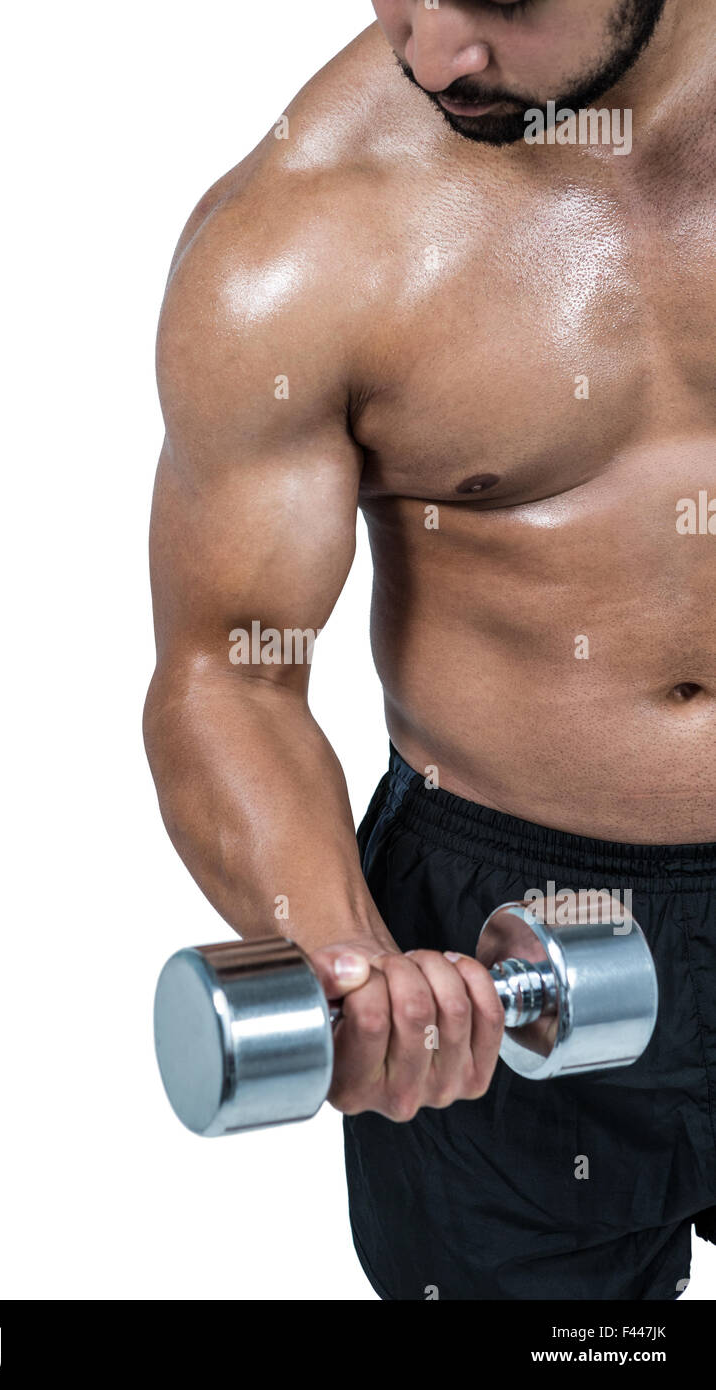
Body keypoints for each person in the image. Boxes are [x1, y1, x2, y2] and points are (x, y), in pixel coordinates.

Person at [145, 1, 716, 1299]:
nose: (431, 56)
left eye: (502, 0)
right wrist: (349, 964)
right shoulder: (303, 233)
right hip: (487, 932)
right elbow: (226, 673)